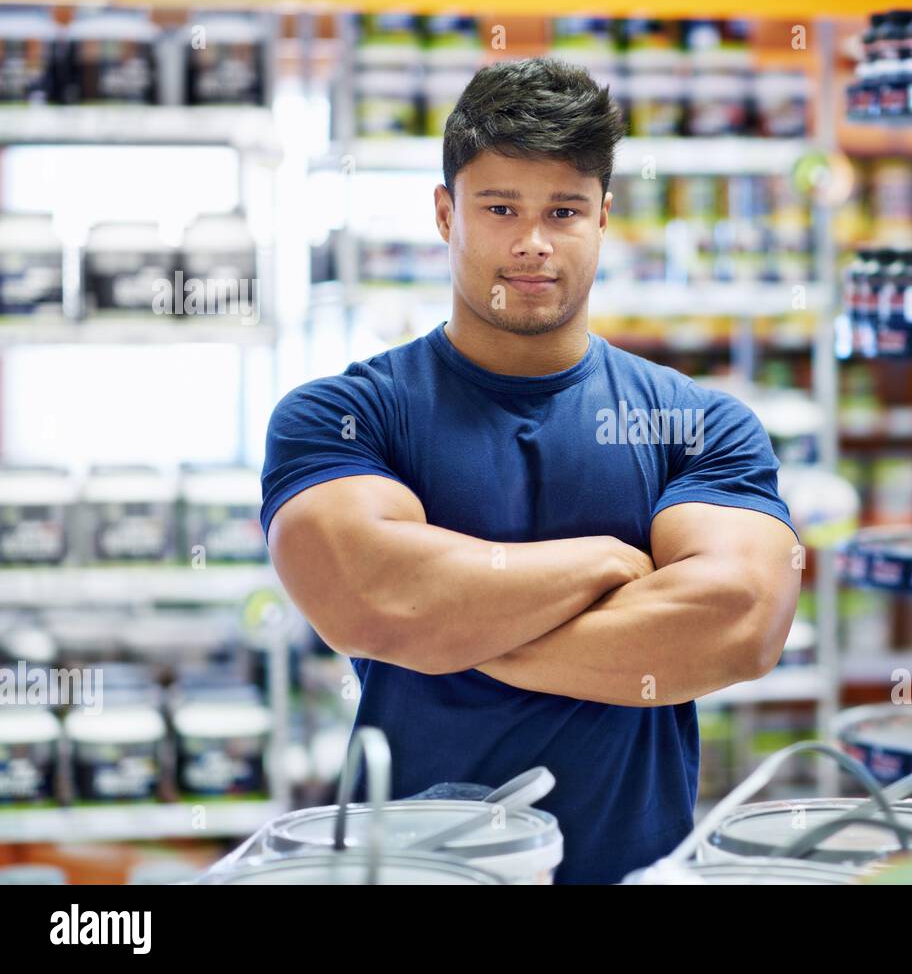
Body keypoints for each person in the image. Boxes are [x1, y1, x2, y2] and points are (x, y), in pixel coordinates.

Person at [260, 56, 802, 883]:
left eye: (565, 210)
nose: (533, 243)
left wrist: (446, 628)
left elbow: (740, 618)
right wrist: (610, 565)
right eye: (501, 206)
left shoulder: (696, 422)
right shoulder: (344, 415)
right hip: (418, 872)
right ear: (446, 214)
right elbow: (367, 593)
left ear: (604, 218)